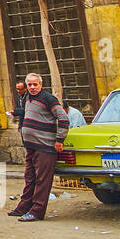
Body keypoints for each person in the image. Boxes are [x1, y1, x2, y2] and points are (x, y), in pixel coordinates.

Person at [8, 73, 70, 221]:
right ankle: (24, 206)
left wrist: (59, 139)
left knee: (42, 180)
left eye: (35, 84)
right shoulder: (28, 98)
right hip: (31, 146)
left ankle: (37, 211)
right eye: (29, 84)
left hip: (45, 147)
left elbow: (63, 118)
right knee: (30, 178)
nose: (32, 87)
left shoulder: (48, 99)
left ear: (41, 85)